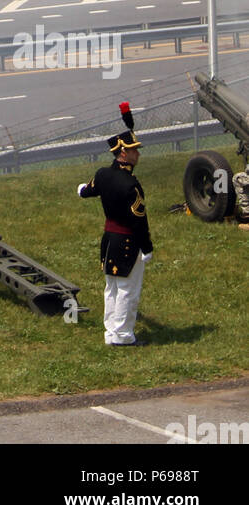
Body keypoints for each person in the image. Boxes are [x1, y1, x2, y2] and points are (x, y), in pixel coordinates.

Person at [78, 102, 153, 347]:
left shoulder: (102, 174)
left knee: (111, 288)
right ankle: (123, 336)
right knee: (127, 290)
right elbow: (139, 221)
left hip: (109, 240)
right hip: (128, 242)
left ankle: (110, 332)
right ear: (123, 153)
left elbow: (87, 190)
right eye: (134, 151)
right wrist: (148, 247)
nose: (138, 154)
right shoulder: (130, 185)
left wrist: (81, 189)